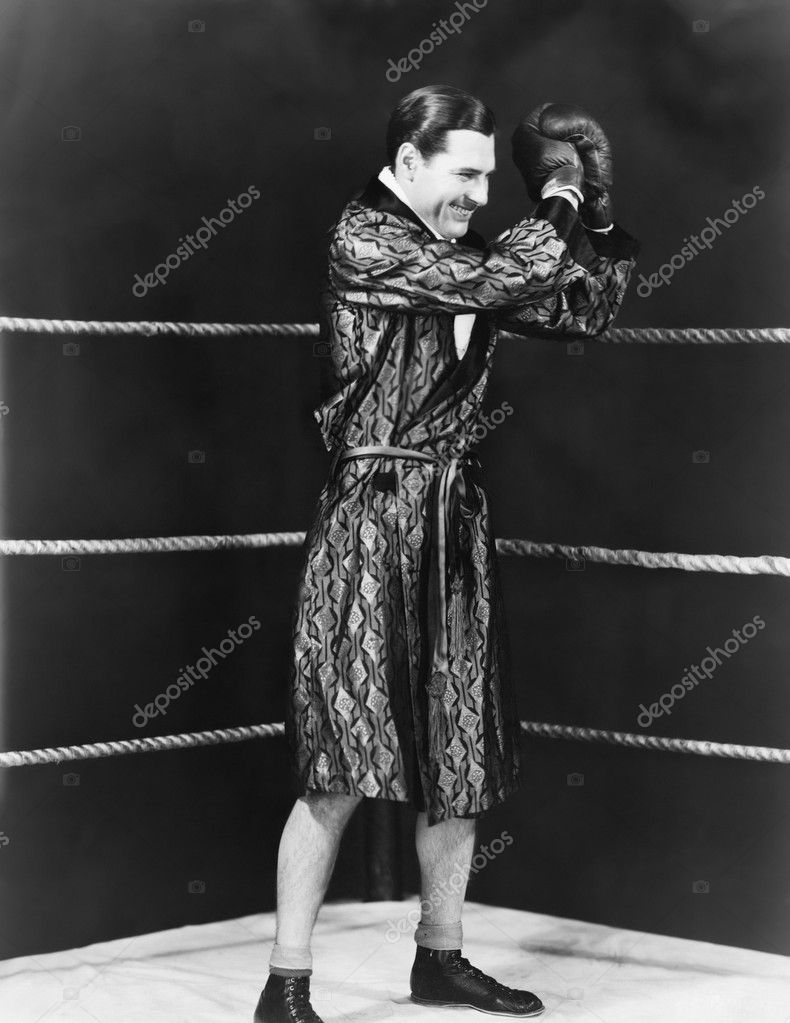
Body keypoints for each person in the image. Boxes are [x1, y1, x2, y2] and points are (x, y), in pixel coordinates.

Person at [254, 84, 640, 1023]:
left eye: (485, 173)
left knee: (460, 747)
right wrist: (553, 194)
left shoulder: (462, 256)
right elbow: (504, 280)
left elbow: (585, 311)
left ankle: (441, 957)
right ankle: (287, 981)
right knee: (342, 761)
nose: (477, 191)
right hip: (367, 515)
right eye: (463, 174)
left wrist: (597, 206)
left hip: (452, 521)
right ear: (410, 160)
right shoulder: (366, 237)